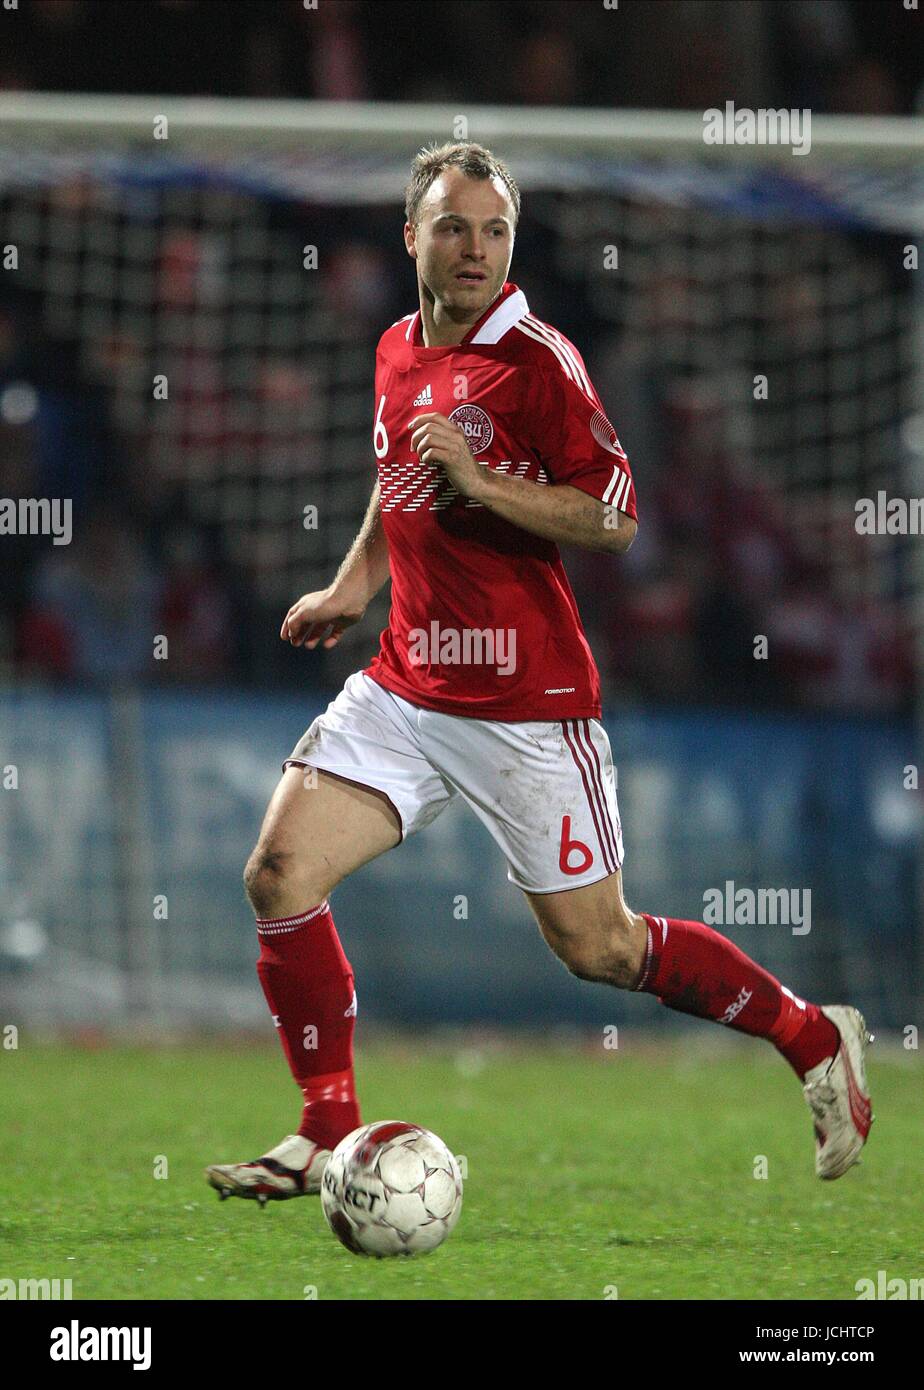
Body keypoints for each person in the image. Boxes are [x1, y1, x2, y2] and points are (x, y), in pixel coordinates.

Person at [206, 142, 872, 1205]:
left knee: (601, 949)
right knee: (279, 875)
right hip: (407, 688)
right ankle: (323, 1130)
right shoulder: (394, 349)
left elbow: (613, 516)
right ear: (411, 235)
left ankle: (809, 1035)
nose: (477, 249)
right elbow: (399, 477)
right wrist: (351, 587)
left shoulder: (539, 361)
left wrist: (483, 478)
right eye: (456, 226)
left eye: (496, 230)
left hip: (527, 708)